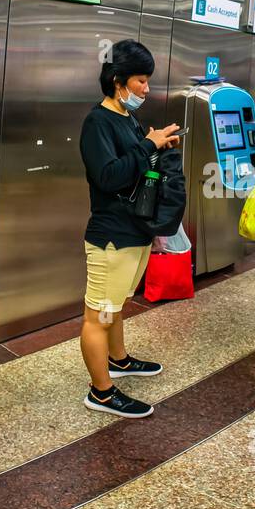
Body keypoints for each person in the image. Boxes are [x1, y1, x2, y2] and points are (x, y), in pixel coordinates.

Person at [78, 39, 179, 418]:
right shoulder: (97, 122)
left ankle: (118, 360)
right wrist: (146, 146)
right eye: (140, 80)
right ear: (118, 80)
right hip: (111, 234)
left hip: (135, 229)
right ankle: (100, 392)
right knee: (99, 315)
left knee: (115, 305)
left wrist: (155, 144)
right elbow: (107, 177)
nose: (146, 89)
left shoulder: (128, 118)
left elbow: (137, 166)